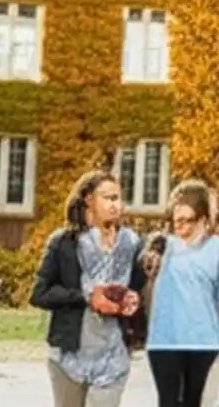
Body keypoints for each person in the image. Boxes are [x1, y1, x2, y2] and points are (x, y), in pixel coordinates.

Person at [30, 169, 147, 407]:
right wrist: (87, 298)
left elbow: (140, 292)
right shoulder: (63, 243)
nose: (116, 204)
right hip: (68, 357)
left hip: (113, 356)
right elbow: (39, 294)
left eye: (118, 197)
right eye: (108, 197)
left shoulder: (132, 243)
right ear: (89, 200)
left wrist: (131, 301)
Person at [142, 179, 219, 407]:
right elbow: (143, 265)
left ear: (204, 220)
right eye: (176, 221)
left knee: (193, 402)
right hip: (164, 342)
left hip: (203, 342)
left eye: (187, 221)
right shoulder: (163, 246)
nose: (180, 227)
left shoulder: (218, 249)